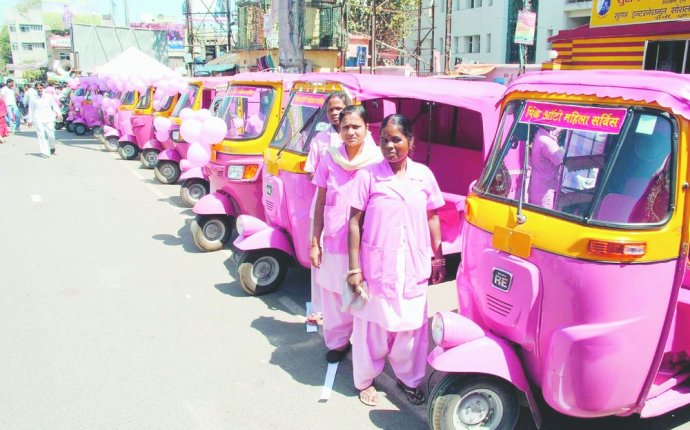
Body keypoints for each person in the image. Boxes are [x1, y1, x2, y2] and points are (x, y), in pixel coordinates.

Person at [347, 114, 445, 407]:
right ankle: (365, 379)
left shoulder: (423, 175)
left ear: (411, 142)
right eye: (384, 140)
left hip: (413, 264)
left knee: (411, 327)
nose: (390, 146)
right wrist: (354, 268)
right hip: (376, 265)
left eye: (396, 139)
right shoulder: (368, 176)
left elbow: (432, 216)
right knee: (372, 327)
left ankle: (410, 380)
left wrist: (437, 257)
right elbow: (354, 222)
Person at [310, 105, 382, 363]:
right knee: (332, 295)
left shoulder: (378, 161)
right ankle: (338, 343)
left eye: (356, 127)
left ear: (367, 129)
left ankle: (366, 349)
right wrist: (315, 242)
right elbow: (320, 201)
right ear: (338, 130)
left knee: (364, 296)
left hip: (366, 244)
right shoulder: (330, 158)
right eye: (345, 127)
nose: (350, 132)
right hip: (333, 240)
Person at [304, 91, 351, 325]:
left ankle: (348, 309)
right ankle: (319, 308)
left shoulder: (357, 137)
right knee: (319, 257)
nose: (335, 113)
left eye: (339, 108)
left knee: (347, 259)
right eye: (331, 109)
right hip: (324, 204)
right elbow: (311, 170)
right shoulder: (320, 140)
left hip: (350, 207)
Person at [527, 125, 564, 209]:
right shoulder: (546, 142)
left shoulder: (540, 135)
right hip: (545, 189)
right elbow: (562, 162)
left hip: (539, 185)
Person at [28, 83, 62, 157]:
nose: (39, 90)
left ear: (43, 88)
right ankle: (45, 152)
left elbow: (54, 105)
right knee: (41, 135)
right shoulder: (33, 97)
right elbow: (31, 109)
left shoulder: (48, 96)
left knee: (51, 135)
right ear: (35, 89)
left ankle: (52, 148)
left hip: (48, 118)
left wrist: (59, 113)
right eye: (38, 88)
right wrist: (30, 120)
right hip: (38, 119)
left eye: (41, 88)